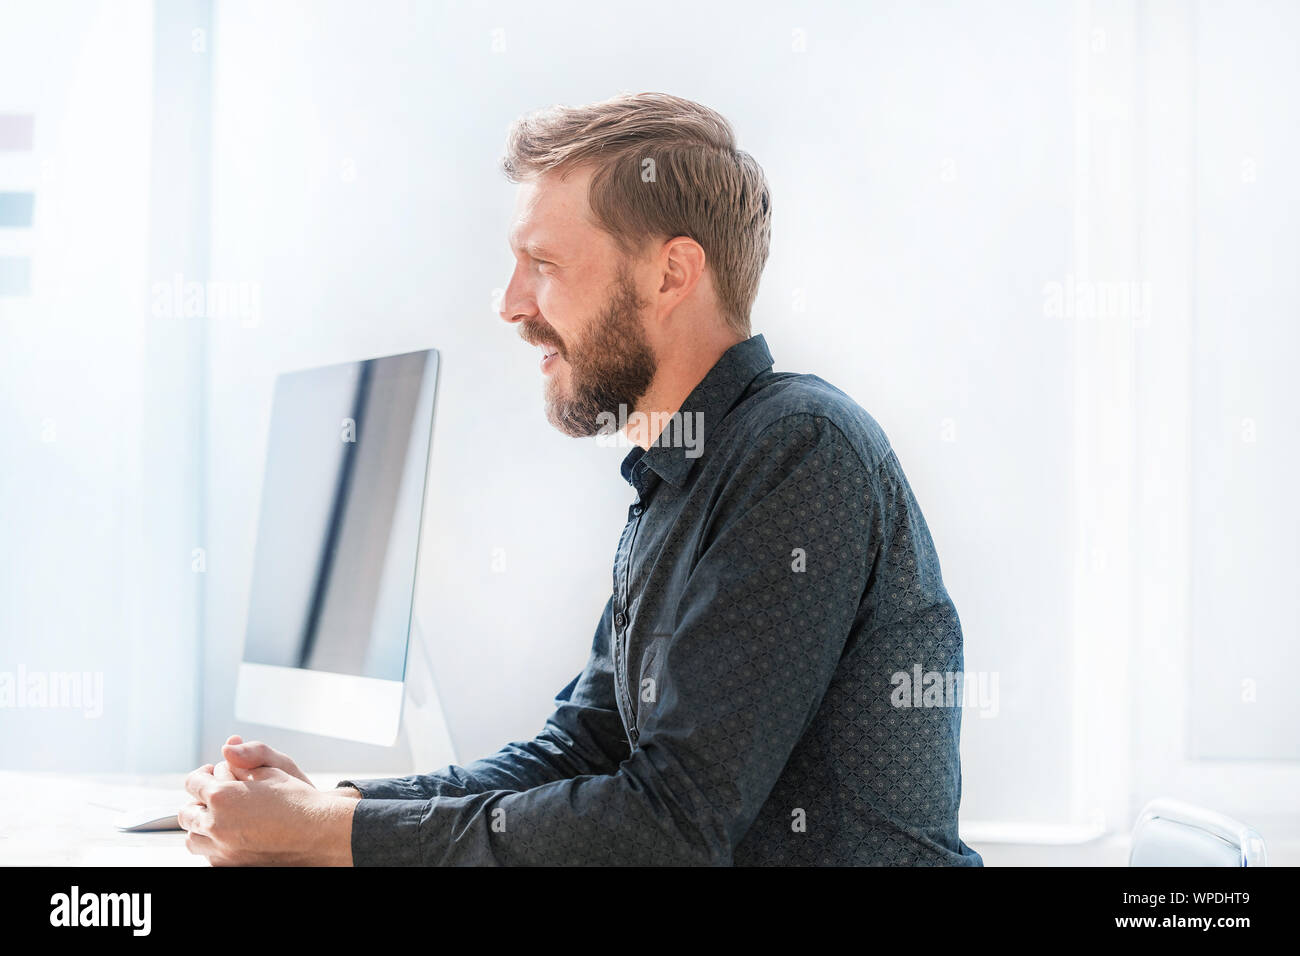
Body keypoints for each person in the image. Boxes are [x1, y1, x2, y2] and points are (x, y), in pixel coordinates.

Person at [180, 92, 983, 867]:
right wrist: (338, 810)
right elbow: (582, 748)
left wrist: (327, 837)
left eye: (542, 262)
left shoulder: (799, 450)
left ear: (672, 275)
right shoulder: (679, 477)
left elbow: (671, 825)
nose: (509, 303)